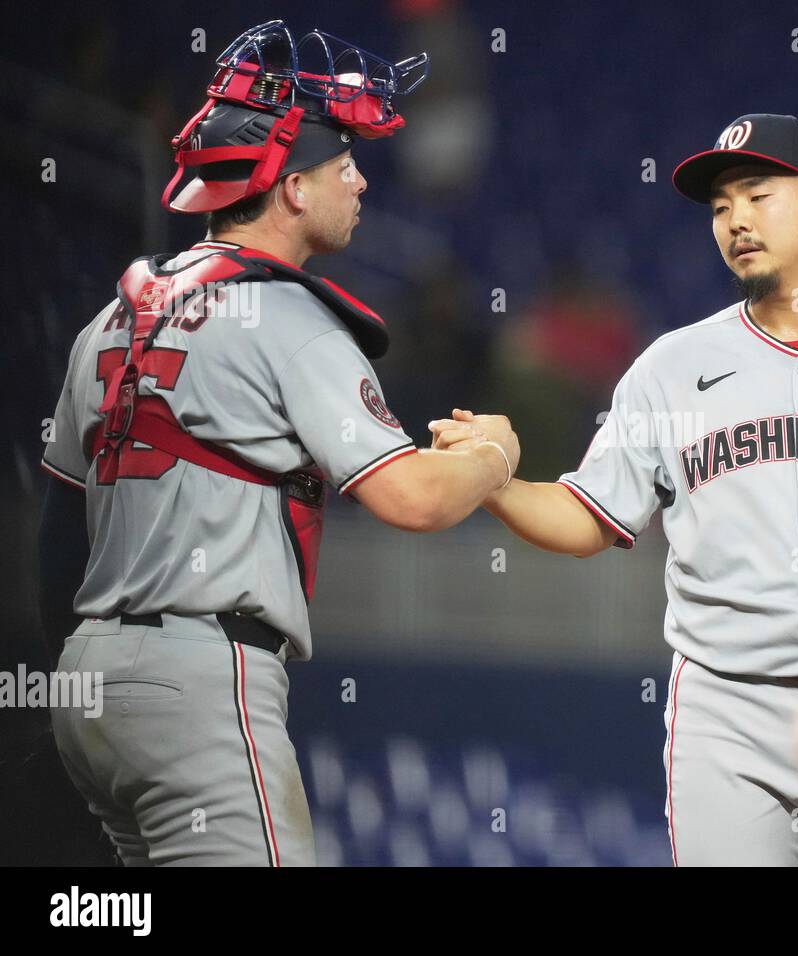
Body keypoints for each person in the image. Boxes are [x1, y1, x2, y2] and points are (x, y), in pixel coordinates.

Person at [434, 113, 798, 866]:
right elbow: (588, 513)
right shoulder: (670, 367)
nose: (735, 219)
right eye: (720, 206)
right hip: (726, 707)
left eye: (758, 194)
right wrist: (494, 480)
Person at [37, 20, 518, 866]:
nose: (362, 182)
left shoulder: (110, 319)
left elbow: (53, 547)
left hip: (90, 684)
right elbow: (411, 498)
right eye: (345, 165)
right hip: (202, 679)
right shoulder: (287, 316)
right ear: (291, 186)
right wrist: (493, 457)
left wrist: (99, 664)